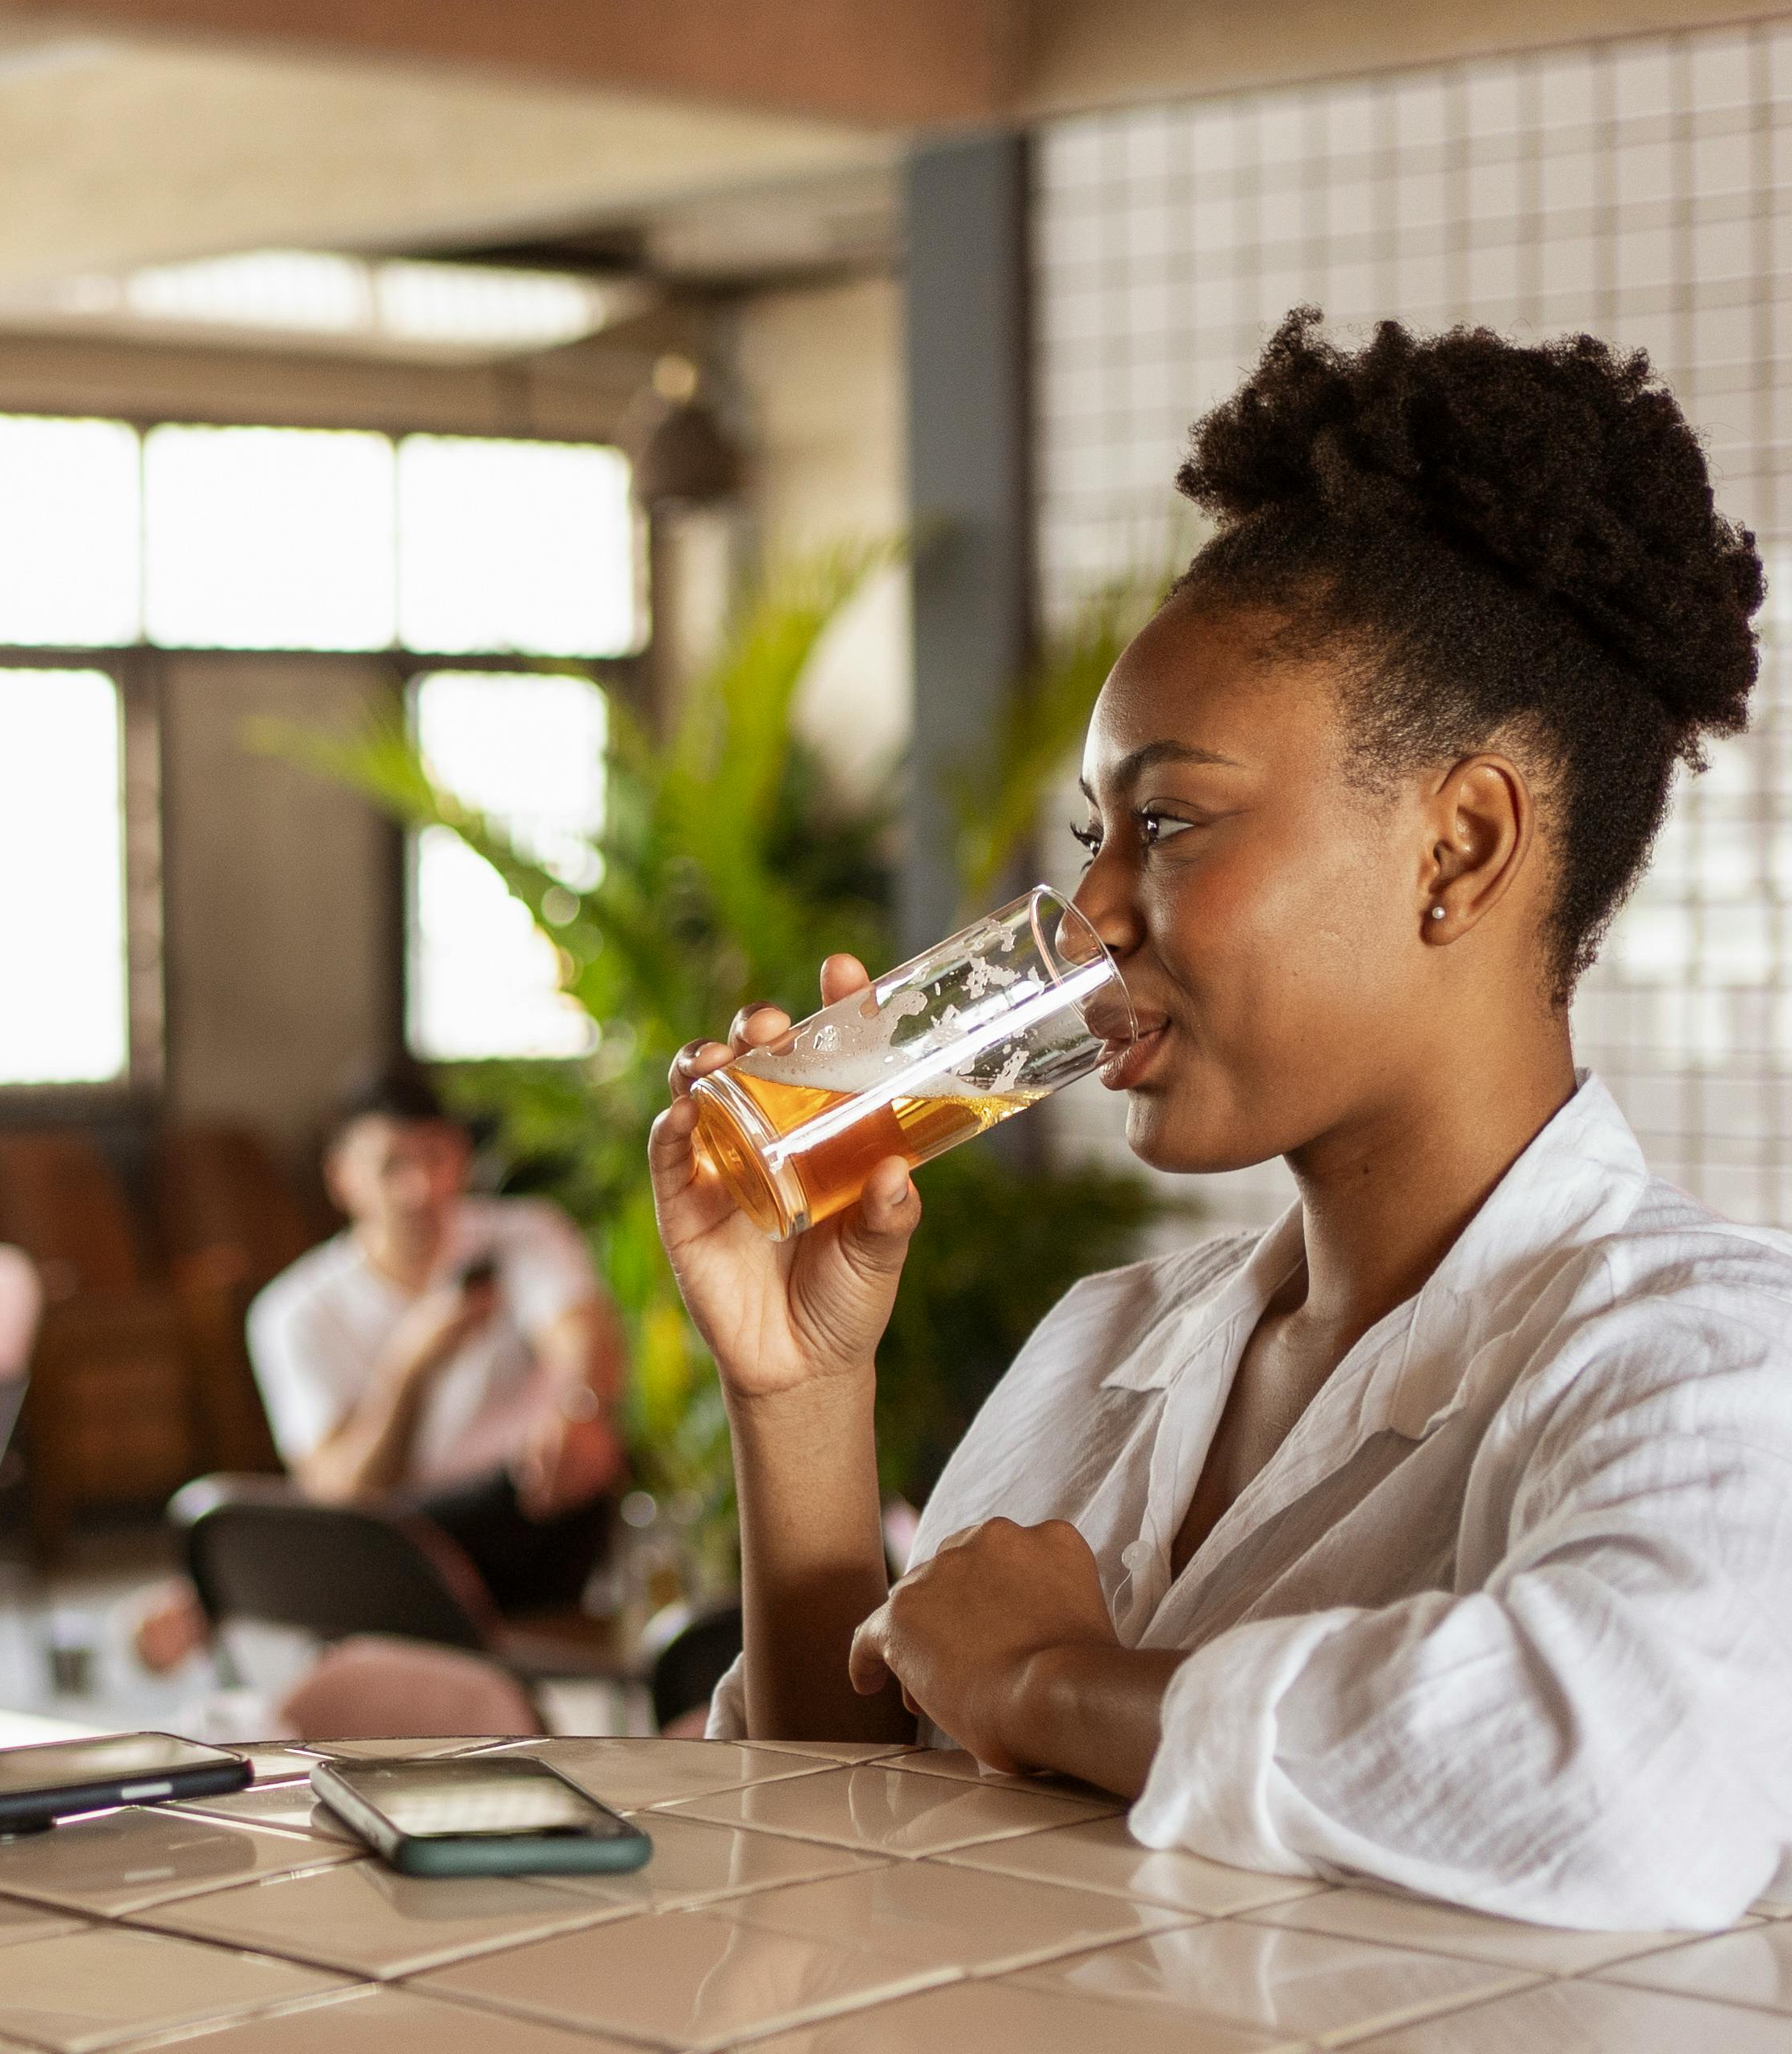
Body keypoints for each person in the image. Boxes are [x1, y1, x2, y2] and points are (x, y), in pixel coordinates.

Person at [657, 309, 1792, 1930]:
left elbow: (1620, 1777)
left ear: (1463, 849)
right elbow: (839, 1853)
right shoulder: (1111, 1347)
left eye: (1170, 822)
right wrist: (802, 1396)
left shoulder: (1712, 1353)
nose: (1092, 910)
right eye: (1094, 835)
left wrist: (1060, 1680)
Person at [248, 1064, 625, 1616]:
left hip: (536, 1512)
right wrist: (411, 1369)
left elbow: (578, 1330)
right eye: (392, 1165)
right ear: (342, 1178)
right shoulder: (292, 1313)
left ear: (462, 1158)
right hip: (401, 1543)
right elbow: (338, 1495)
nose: (420, 1188)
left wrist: (579, 1407)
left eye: (435, 1158)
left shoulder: (524, 1234)